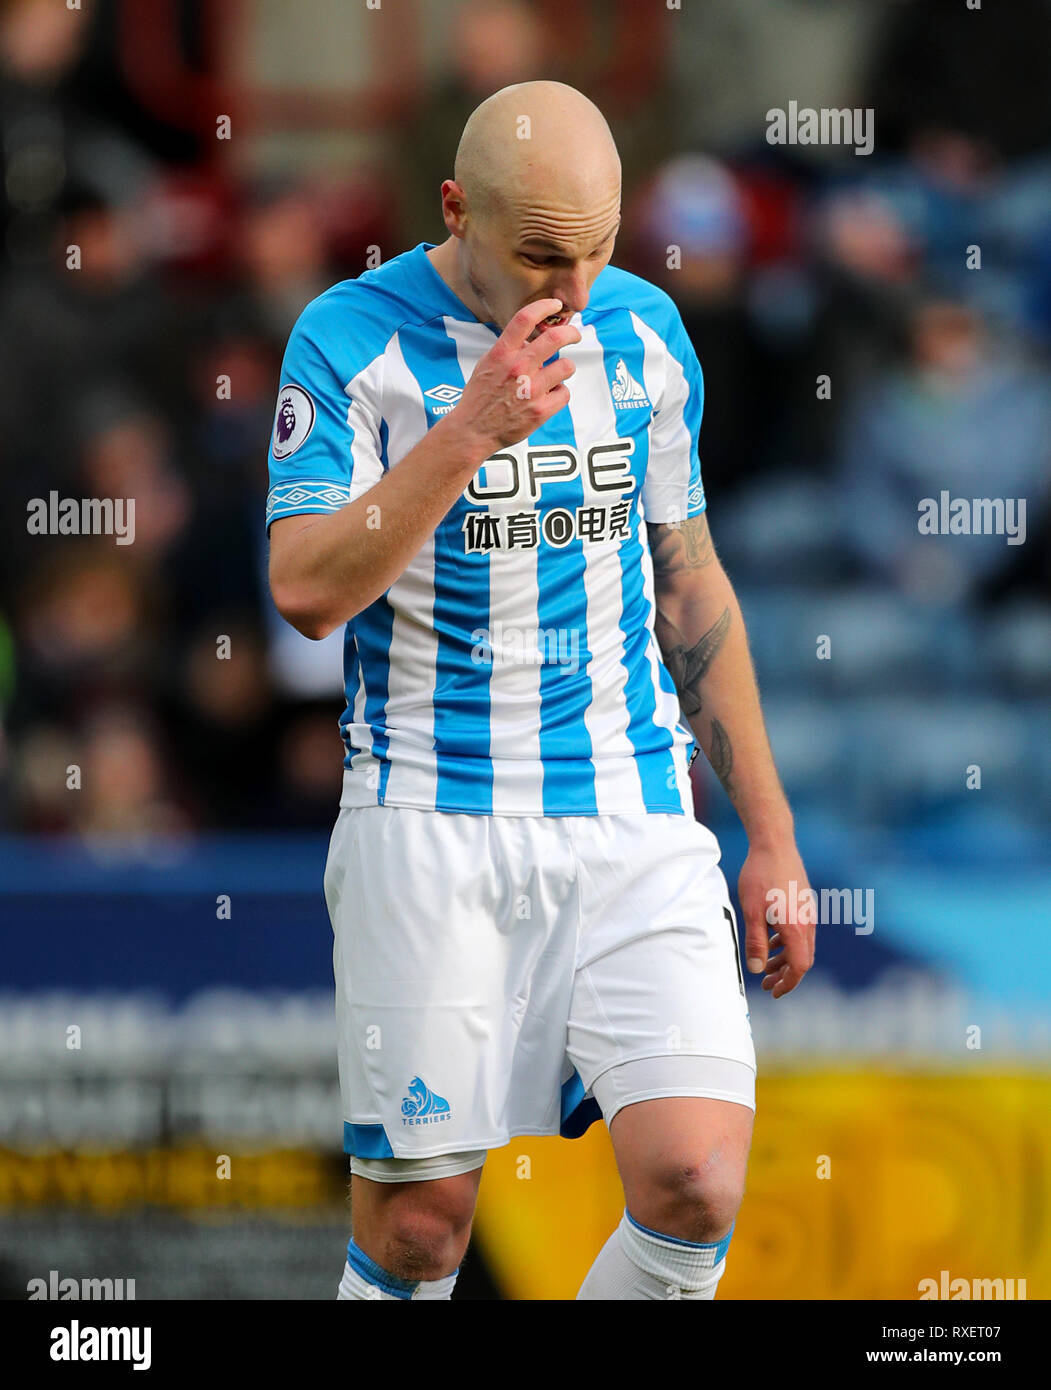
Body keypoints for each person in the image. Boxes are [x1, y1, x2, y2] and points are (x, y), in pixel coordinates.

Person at [266, 80, 814, 1302]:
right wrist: (466, 434)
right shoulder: (349, 341)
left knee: (694, 1185)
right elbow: (303, 588)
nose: (572, 291)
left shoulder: (648, 334)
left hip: (628, 803)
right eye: (539, 257)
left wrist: (771, 832)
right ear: (456, 209)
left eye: (599, 251)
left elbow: (688, 585)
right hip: (430, 809)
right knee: (419, 1233)